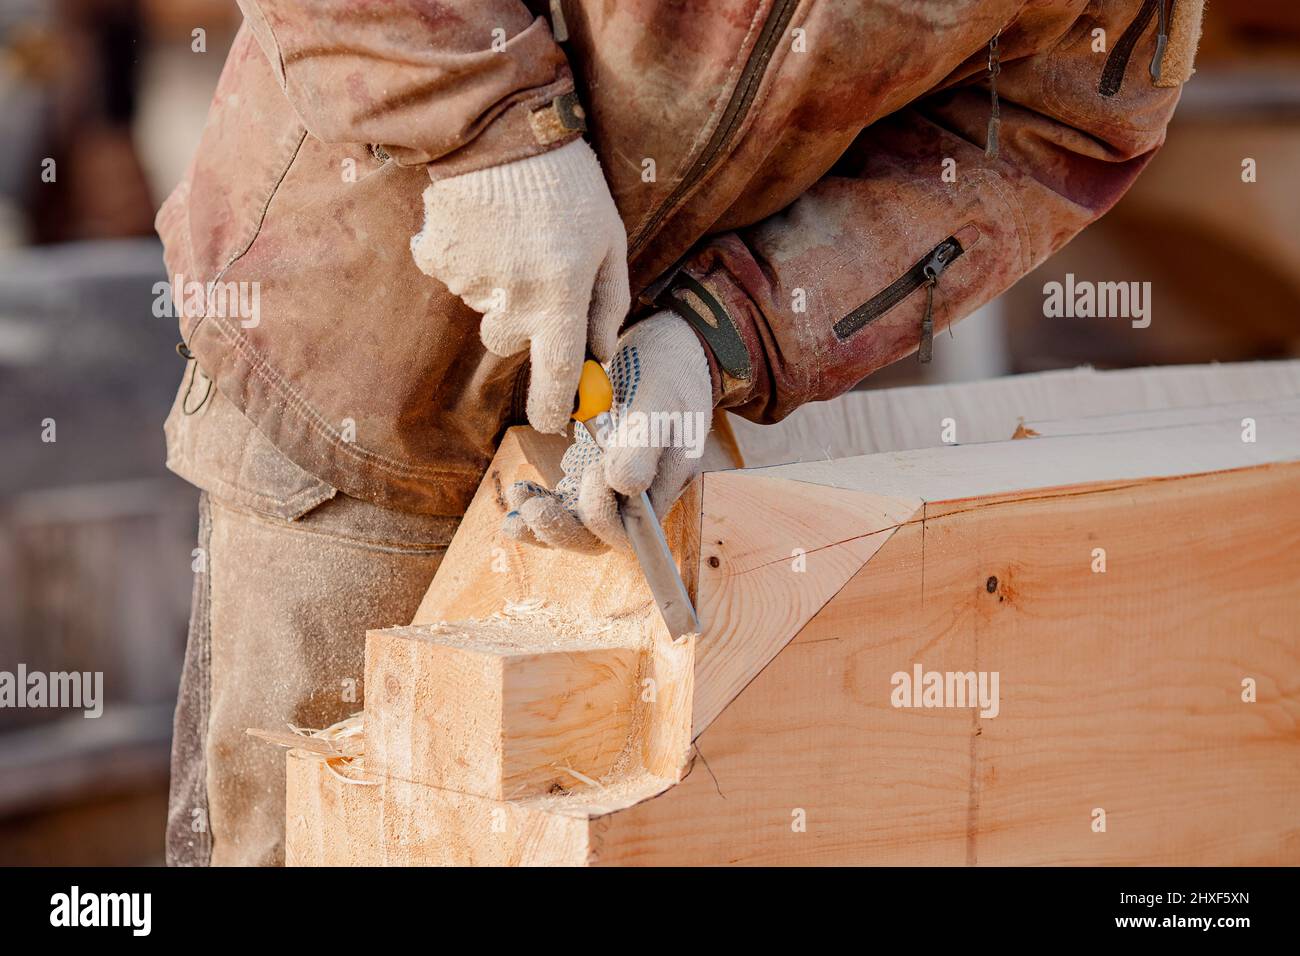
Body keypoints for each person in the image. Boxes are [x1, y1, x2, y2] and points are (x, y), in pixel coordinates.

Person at [158, 0, 1204, 865]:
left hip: (652, 394)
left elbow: (1044, 128)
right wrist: (483, 132)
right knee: (332, 830)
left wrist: (723, 334)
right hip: (369, 353)